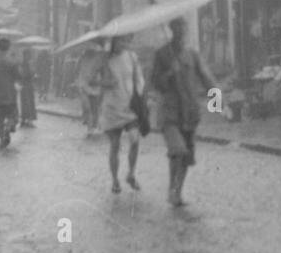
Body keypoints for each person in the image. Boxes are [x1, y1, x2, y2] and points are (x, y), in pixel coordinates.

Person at [149, 17, 215, 207]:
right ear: (172, 31)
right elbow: (155, 83)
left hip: (189, 113)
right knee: (178, 150)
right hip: (169, 113)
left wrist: (220, 103)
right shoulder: (162, 55)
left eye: (184, 31)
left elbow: (207, 79)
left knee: (186, 156)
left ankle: (177, 192)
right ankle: (172, 189)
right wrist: (170, 72)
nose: (182, 35)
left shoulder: (192, 55)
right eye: (178, 30)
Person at [99, 35, 145, 194]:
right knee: (115, 145)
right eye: (118, 41)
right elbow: (95, 81)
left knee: (135, 140)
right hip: (112, 108)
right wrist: (106, 83)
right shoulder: (105, 59)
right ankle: (115, 180)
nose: (122, 44)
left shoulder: (132, 57)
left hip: (129, 106)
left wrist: (138, 93)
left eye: (124, 41)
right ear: (113, 42)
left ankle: (131, 174)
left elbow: (139, 78)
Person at [77, 44, 105, 137]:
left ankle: (94, 127)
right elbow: (77, 70)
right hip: (83, 85)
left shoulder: (98, 60)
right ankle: (90, 128)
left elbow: (102, 71)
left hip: (94, 86)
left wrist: (97, 77)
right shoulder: (82, 59)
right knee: (87, 107)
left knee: (94, 108)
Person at [18, 48, 37, 127]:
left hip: (26, 85)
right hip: (26, 85)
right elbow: (26, 74)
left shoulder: (25, 64)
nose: (29, 56)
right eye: (28, 55)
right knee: (27, 103)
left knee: (26, 103)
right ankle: (27, 119)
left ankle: (25, 119)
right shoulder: (24, 64)